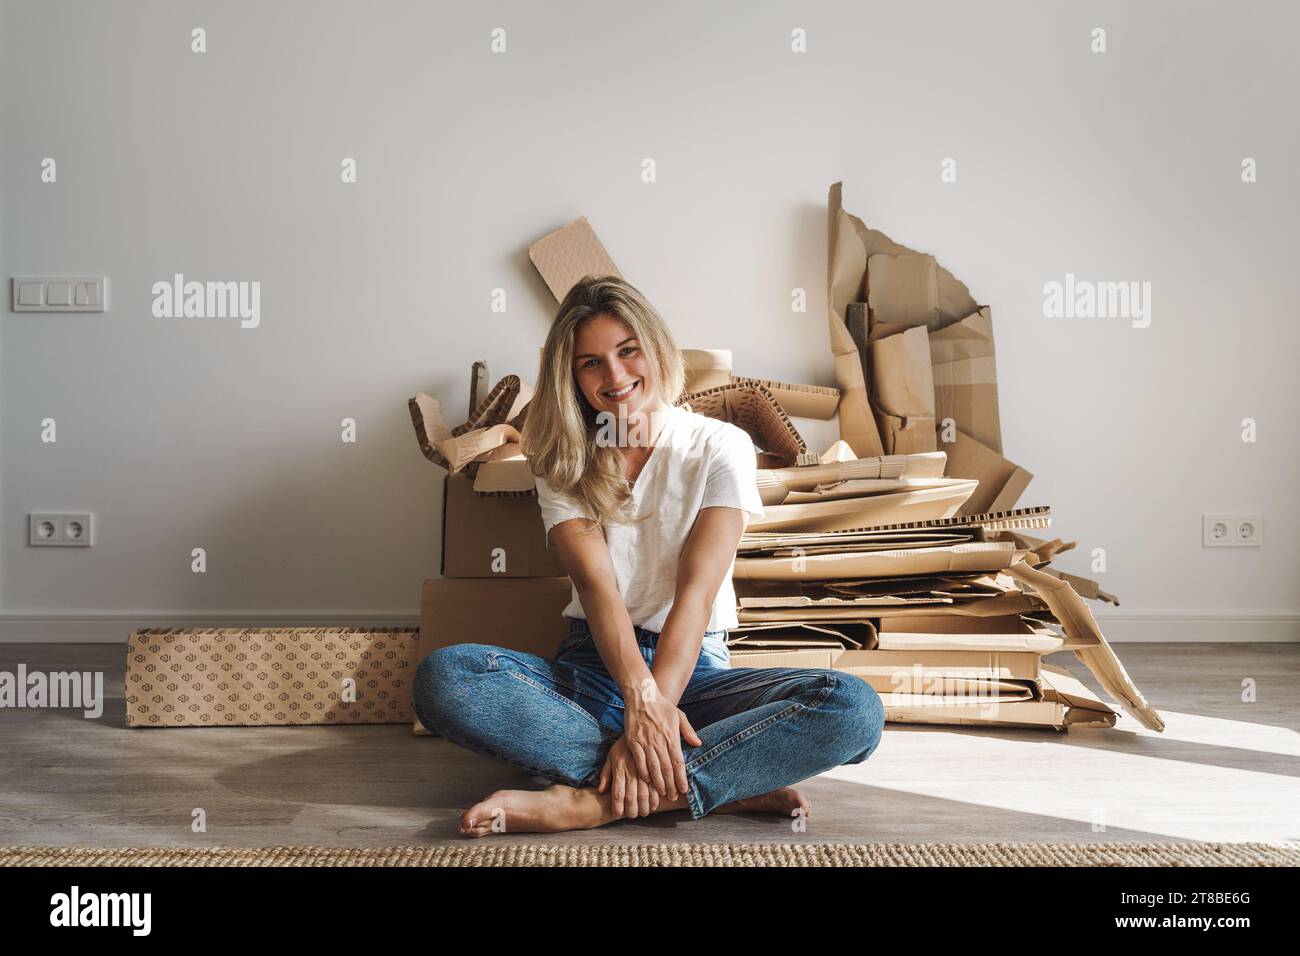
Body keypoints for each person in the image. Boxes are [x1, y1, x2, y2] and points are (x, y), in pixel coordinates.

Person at [411, 275, 884, 836]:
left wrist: (659, 705)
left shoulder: (719, 445)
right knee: (447, 677)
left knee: (852, 707)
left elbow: (697, 593)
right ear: (571, 375)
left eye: (628, 351)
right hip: (596, 669)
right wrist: (639, 701)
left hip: (698, 674)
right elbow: (597, 588)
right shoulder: (562, 458)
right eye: (590, 363)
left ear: (655, 347)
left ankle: (598, 802)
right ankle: (710, 783)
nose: (614, 377)